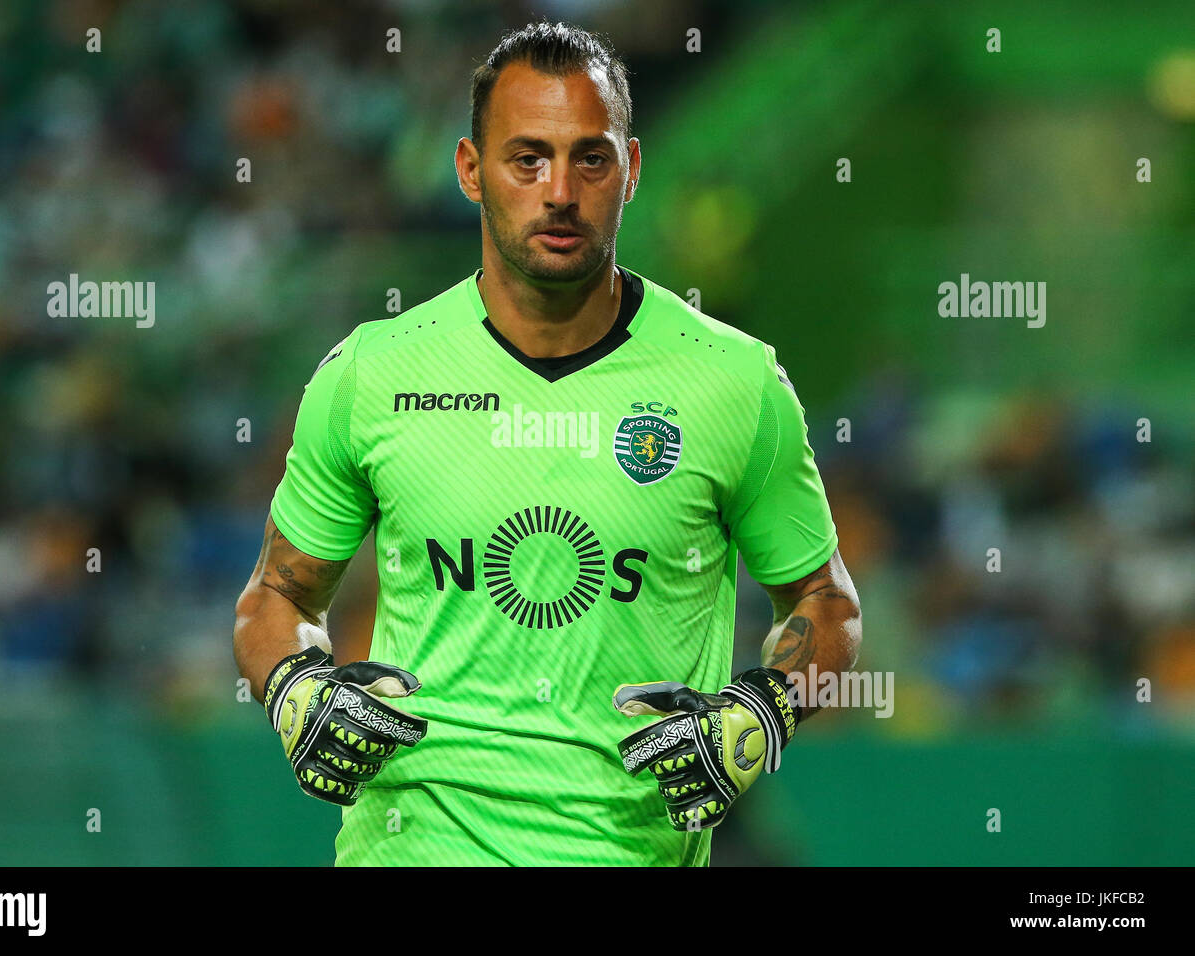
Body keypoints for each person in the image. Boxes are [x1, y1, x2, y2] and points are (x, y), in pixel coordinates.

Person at [233, 20, 862, 866]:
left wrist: (760, 715)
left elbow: (828, 605)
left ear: (631, 169)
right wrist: (295, 692)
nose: (558, 190)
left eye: (588, 158)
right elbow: (275, 597)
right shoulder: (369, 374)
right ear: (469, 170)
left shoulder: (735, 382)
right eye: (526, 158)